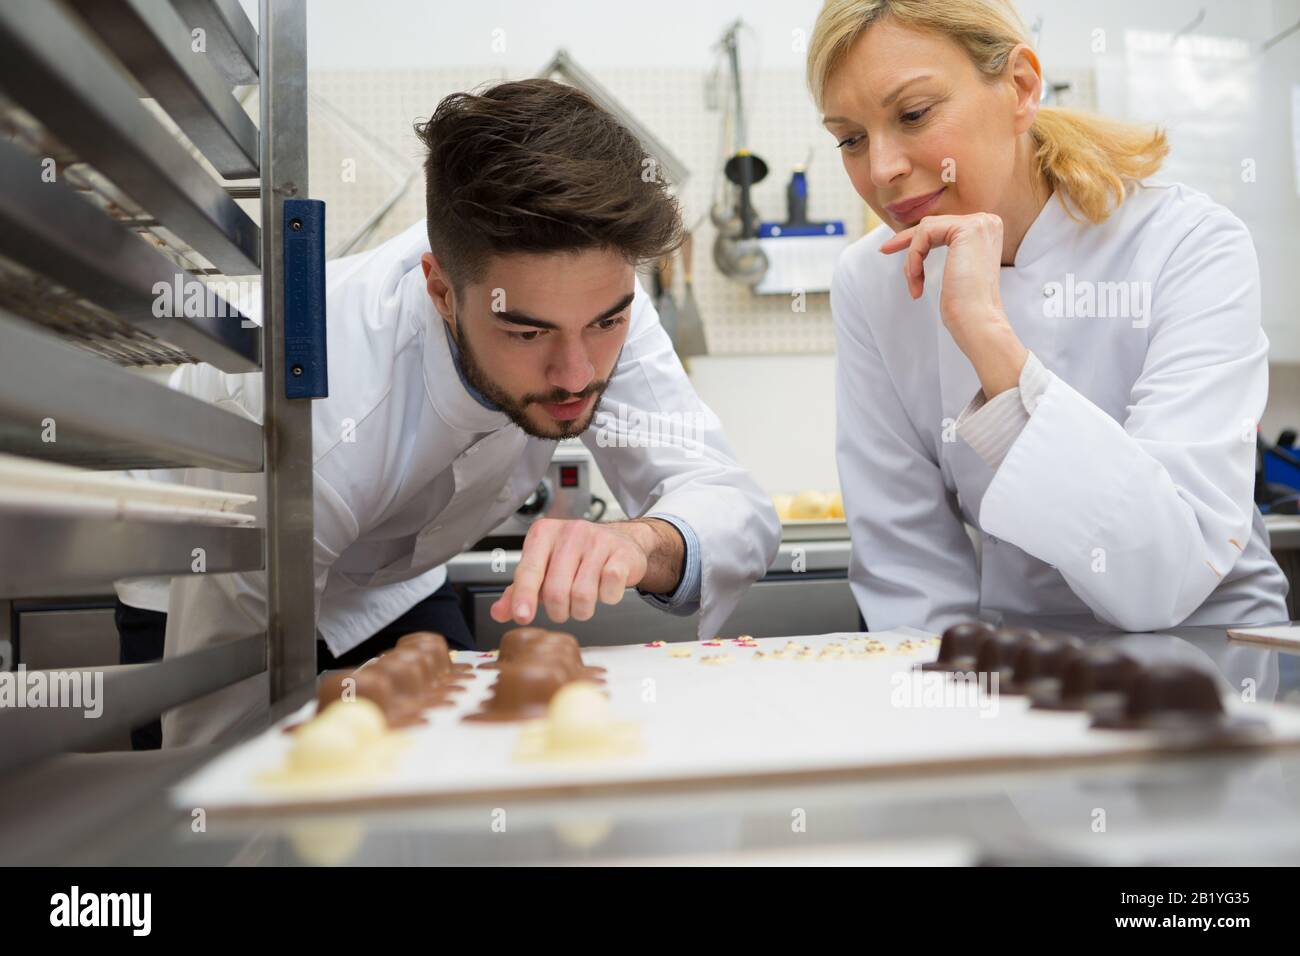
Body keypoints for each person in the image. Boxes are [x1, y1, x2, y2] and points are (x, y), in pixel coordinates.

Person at [121, 79, 779, 746]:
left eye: (606, 323)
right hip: (203, 569)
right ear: (441, 290)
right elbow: (217, 744)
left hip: (391, 585)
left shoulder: (594, 301)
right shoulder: (320, 409)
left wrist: (641, 541)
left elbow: (729, 500)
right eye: (527, 334)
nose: (576, 374)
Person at [810, 0, 1288, 633]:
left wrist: (988, 337)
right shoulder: (871, 280)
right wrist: (939, 706)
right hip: (1020, 669)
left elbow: (1165, 576)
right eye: (851, 138)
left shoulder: (1186, 243)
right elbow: (909, 571)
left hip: (1209, 653)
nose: (881, 169)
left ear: (1021, 87)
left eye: (915, 114)